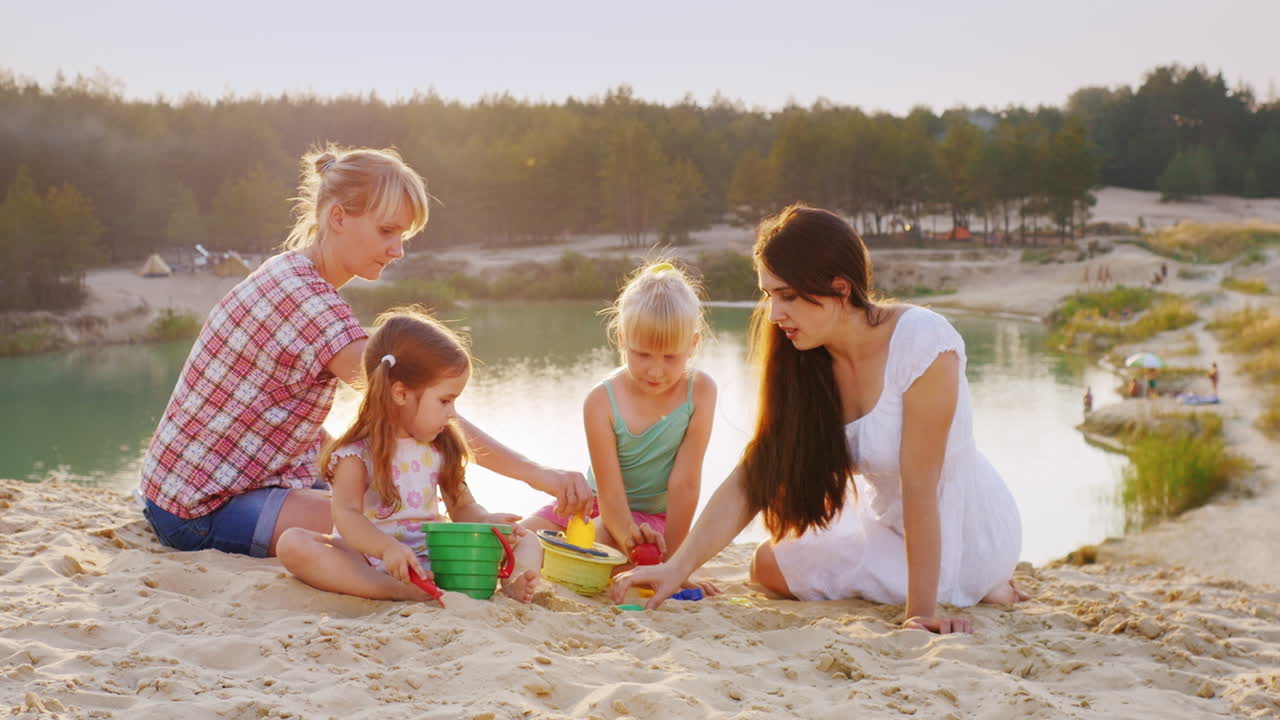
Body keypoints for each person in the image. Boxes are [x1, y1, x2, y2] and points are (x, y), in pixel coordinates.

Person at [138, 145, 591, 559]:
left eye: (403, 236)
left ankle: (470, 517)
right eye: (387, 231)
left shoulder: (294, 273)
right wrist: (538, 475)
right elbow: (419, 407)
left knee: (395, 487)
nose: (396, 250)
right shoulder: (309, 305)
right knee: (387, 519)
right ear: (338, 218)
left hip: (203, 481)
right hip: (198, 508)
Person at [613, 204, 1025, 635]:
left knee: (945, 578)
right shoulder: (808, 361)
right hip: (889, 526)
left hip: (965, 528)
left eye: (787, 295)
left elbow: (920, 487)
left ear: (840, 289)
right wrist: (674, 570)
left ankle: (978, 582)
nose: (775, 314)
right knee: (766, 565)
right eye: (770, 295)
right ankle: (965, 588)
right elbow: (756, 475)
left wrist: (920, 613)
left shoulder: (923, 344)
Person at [277, 309, 541, 602]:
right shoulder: (355, 454)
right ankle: (394, 590)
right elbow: (347, 516)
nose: (452, 413)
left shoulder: (441, 446)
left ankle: (513, 584)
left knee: (527, 539)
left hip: (432, 560)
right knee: (293, 543)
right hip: (370, 561)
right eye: (445, 400)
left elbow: (462, 507)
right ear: (401, 394)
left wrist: (486, 520)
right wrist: (386, 548)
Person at [524, 261, 717, 566]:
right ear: (622, 338)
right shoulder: (601, 401)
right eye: (642, 354)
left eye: (670, 357)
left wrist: (675, 564)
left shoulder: (701, 392)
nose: (656, 370)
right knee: (518, 538)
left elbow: (685, 485)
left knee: (598, 542)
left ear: (692, 345)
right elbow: (610, 495)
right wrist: (627, 533)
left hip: (655, 520)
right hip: (600, 506)